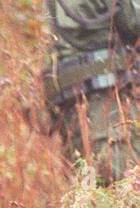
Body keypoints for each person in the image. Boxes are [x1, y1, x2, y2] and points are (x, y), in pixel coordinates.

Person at [43, 0, 140, 185]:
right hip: (106, 103)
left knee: (95, 191)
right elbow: (133, 19)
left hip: (81, 98)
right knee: (120, 191)